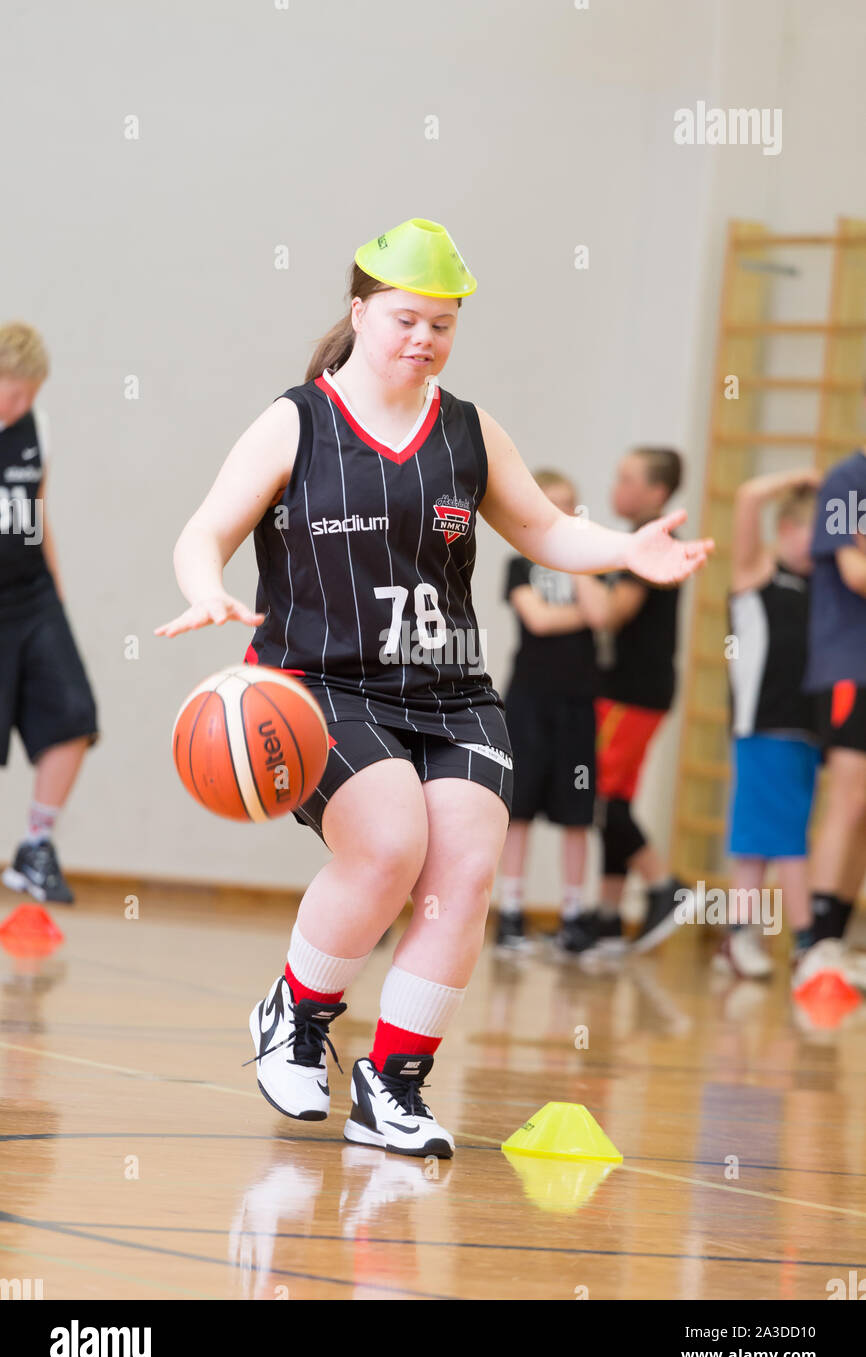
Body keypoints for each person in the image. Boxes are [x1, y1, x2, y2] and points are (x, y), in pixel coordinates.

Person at [155, 218, 712, 1159]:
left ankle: (394, 1084)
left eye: (442, 324)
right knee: (389, 846)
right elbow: (203, 530)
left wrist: (623, 548)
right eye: (407, 318)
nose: (423, 338)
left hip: (452, 691)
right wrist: (207, 587)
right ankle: (295, 1013)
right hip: (318, 683)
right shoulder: (298, 419)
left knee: (461, 876)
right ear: (361, 312)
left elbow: (542, 529)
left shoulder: (467, 427)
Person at [561, 448, 692, 957]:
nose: (617, 488)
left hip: (634, 692)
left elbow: (610, 615)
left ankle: (666, 887)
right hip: (628, 691)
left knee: (602, 800)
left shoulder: (656, 543)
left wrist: (571, 559)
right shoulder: (637, 542)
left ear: (657, 494)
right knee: (612, 799)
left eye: (628, 480)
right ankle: (610, 915)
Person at [0, 322, 99, 904]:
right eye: (15, 393)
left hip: (32, 598)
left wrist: (57, 599)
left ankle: (36, 846)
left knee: (74, 714)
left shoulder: (37, 429)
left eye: (32, 393)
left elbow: (39, 513)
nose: (24, 404)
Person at [716, 470, 821, 979]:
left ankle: (739, 935)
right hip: (764, 726)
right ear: (785, 527)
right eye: (813, 530)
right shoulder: (756, 572)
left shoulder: (818, 584)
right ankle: (807, 941)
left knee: (759, 841)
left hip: (806, 731)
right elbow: (747, 493)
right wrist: (807, 477)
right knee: (788, 839)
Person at [494, 470, 602, 951]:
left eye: (570, 506)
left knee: (576, 812)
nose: (562, 515)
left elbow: (601, 615)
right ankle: (512, 912)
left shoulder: (591, 567)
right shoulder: (520, 565)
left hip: (578, 704)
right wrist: (573, 615)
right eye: (551, 504)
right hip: (528, 702)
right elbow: (535, 619)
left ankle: (574, 916)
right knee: (519, 810)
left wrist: (579, 565)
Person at [798, 429, 866, 991]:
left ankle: (837, 937)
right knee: (849, 799)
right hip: (850, 665)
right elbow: (856, 572)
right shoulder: (847, 481)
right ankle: (816, 939)